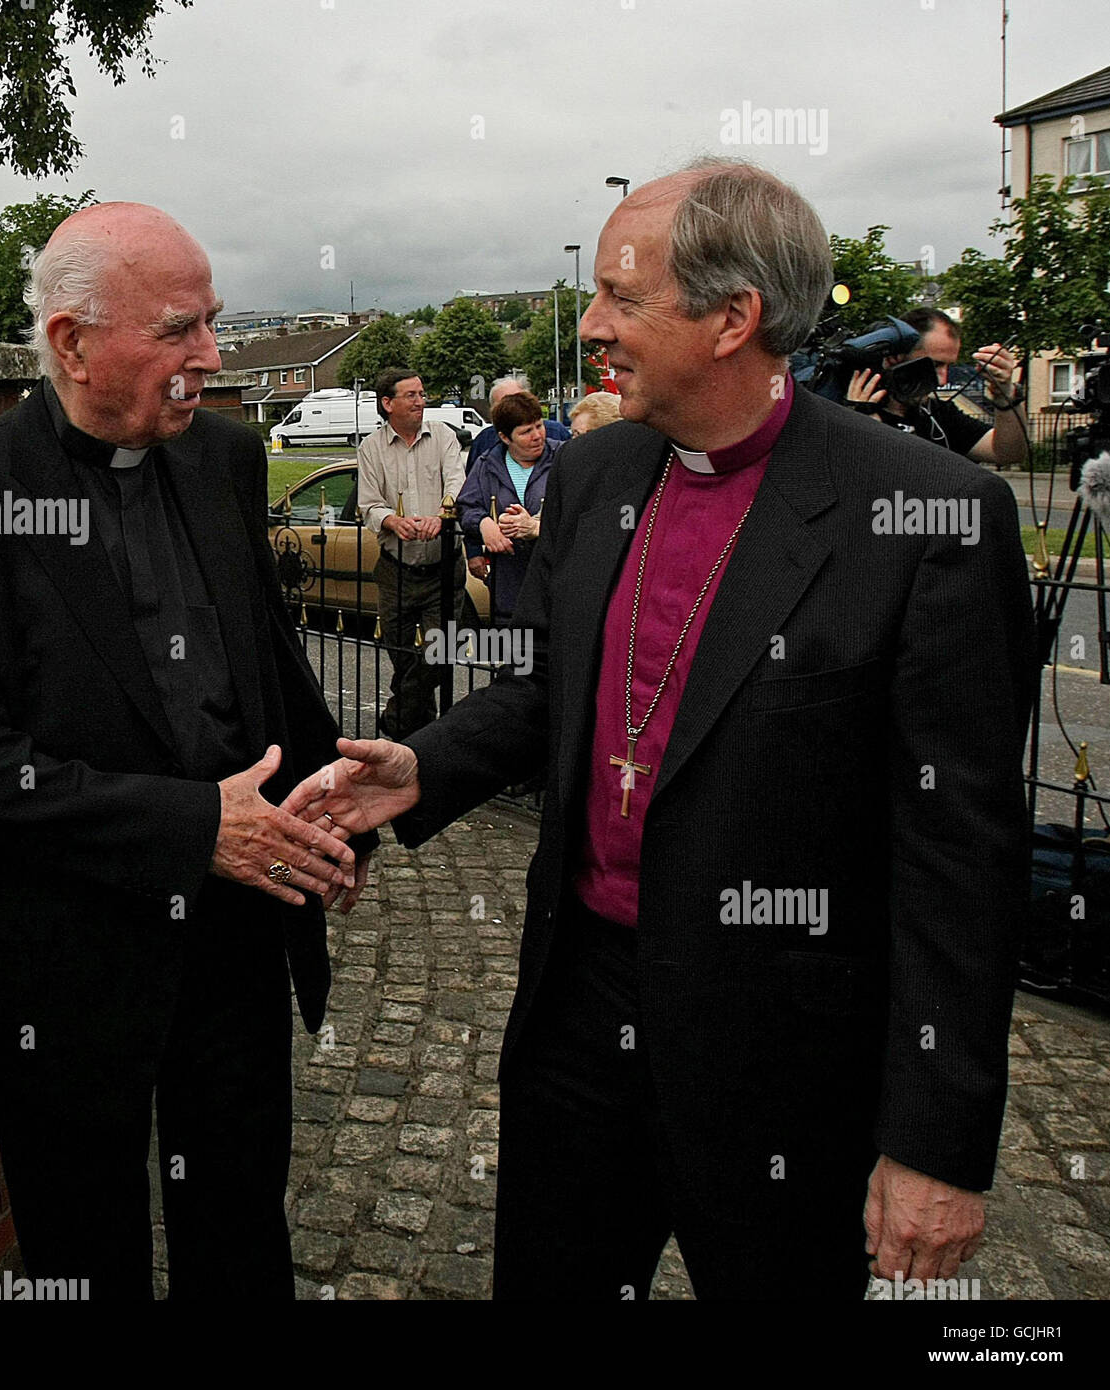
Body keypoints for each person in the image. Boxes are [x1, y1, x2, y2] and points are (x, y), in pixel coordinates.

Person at [285, 158, 1036, 1301]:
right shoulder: (597, 474)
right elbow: (553, 685)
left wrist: (934, 1139)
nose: (591, 326)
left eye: (620, 299)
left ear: (733, 317)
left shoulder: (922, 516)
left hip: (783, 1052)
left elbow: (959, 850)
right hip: (580, 1008)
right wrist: (421, 765)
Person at [0, 202, 372, 1301]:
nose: (210, 355)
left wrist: (323, 795)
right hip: (67, 961)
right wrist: (197, 827)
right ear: (70, 342)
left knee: (240, 1236)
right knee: (81, 1255)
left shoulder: (228, 460)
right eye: (178, 330)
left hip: (240, 941)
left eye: (215, 323)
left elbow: (264, 665)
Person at [357, 367, 466, 739]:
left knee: (437, 654)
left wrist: (443, 514)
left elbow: (457, 481)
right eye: (412, 395)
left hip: (442, 567)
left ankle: (398, 720)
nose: (421, 401)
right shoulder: (371, 448)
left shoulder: (444, 438)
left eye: (422, 394)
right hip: (396, 571)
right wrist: (391, 521)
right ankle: (420, 737)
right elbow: (368, 504)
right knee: (404, 660)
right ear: (387, 404)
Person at [846, 308, 1027, 467]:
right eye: (935, 365)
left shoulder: (936, 414)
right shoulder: (847, 411)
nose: (942, 380)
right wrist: (859, 426)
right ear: (896, 356)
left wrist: (1005, 395)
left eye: (948, 366)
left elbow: (1008, 453)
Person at [457, 390, 564, 626]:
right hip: (509, 588)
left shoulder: (563, 457)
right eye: (526, 431)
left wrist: (536, 526)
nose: (537, 436)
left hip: (557, 588)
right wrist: (484, 524)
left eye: (539, 426)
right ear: (505, 438)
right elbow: (465, 506)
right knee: (515, 659)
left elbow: (580, 510)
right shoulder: (487, 464)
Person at [466, 373, 569, 473]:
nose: (516, 409)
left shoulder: (557, 433)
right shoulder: (483, 443)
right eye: (505, 405)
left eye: (520, 400)